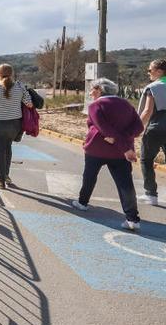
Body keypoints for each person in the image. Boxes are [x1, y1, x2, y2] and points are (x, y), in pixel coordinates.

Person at [70, 78, 144, 230]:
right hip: (120, 153)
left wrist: (118, 141)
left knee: (89, 176)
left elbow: (103, 128)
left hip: (96, 148)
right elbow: (139, 127)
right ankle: (132, 219)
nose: (90, 93)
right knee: (125, 184)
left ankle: (83, 203)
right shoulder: (127, 104)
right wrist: (125, 142)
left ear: (99, 89)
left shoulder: (95, 105)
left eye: (91, 89)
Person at [138, 58, 166, 206]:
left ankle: (151, 194)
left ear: (159, 72)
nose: (148, 73)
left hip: (156, 128)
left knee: (146, 159)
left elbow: (147, 111)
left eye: (150, 70)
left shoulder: (153, 87)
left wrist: (136, 128)